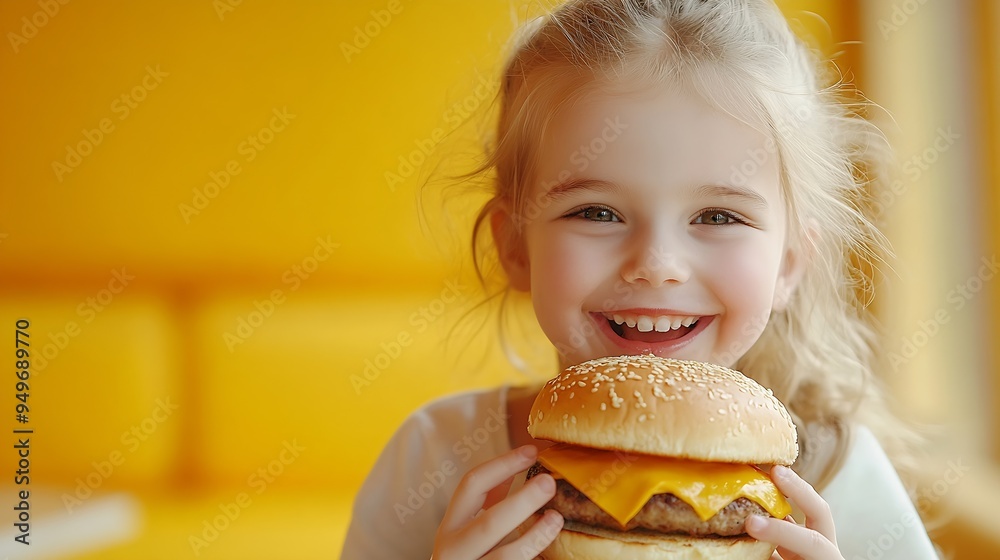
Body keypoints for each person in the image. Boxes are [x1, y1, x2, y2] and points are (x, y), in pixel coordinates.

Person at [341, 0, 939, 558]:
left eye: (718, 216)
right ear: (515, 246)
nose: (656, 265)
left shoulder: (842, 473)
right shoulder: (434, 457)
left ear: (788, 264)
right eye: (597, 212)